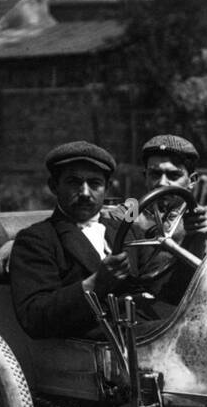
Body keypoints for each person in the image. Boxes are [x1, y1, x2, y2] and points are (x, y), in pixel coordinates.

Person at [9, 140, 139, 339]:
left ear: (107, 188)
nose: (85, 193)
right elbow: (34, 317)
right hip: (91, 343)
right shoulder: (36, 240)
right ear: (54, 186)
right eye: (74, 182)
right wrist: (96, 283)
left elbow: (159, 286)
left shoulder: (124, 232)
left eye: (94, 183)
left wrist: (195, 236)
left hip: (139, 330)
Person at [105, 134, 207, 305]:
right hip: (154, 316)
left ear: (192, 180)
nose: (162, 182)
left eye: (173, 175)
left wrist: (198, 238)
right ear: (145, 176)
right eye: (155, 174)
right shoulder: (129, 214)